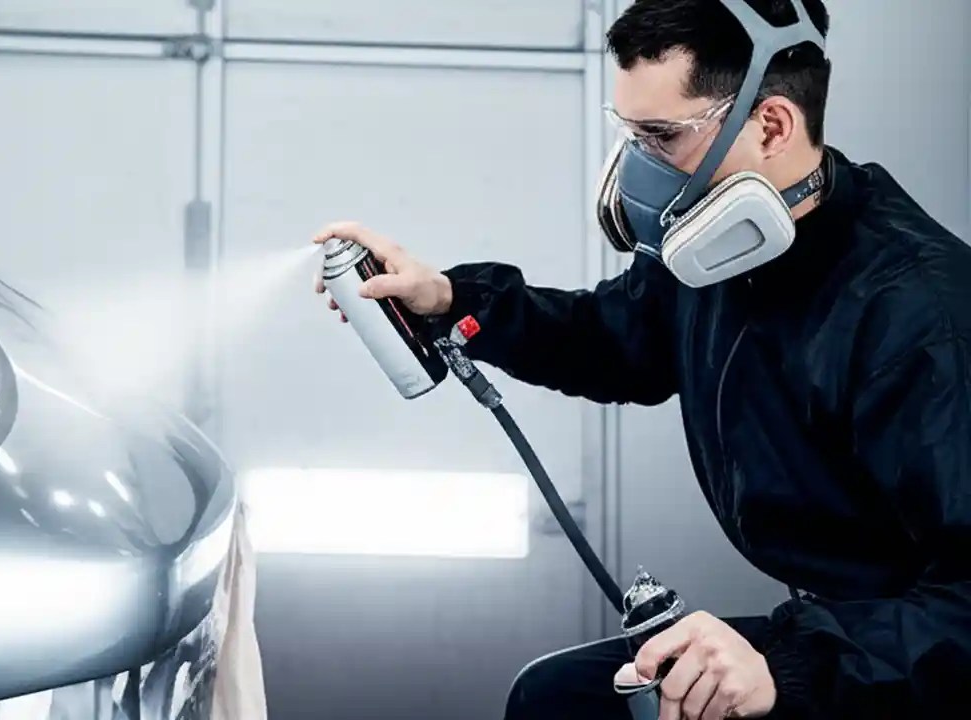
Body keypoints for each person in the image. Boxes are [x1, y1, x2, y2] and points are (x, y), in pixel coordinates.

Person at [311, 0, 971, 718]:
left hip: (910, 660)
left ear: (773, 125)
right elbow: (616, 340)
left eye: (660, 137)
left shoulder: (922, 316)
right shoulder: (716, 255)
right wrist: (449, 299)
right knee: (553, 699)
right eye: (629, 134)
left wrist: (791, 668)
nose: (638, 169)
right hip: (829, 635)